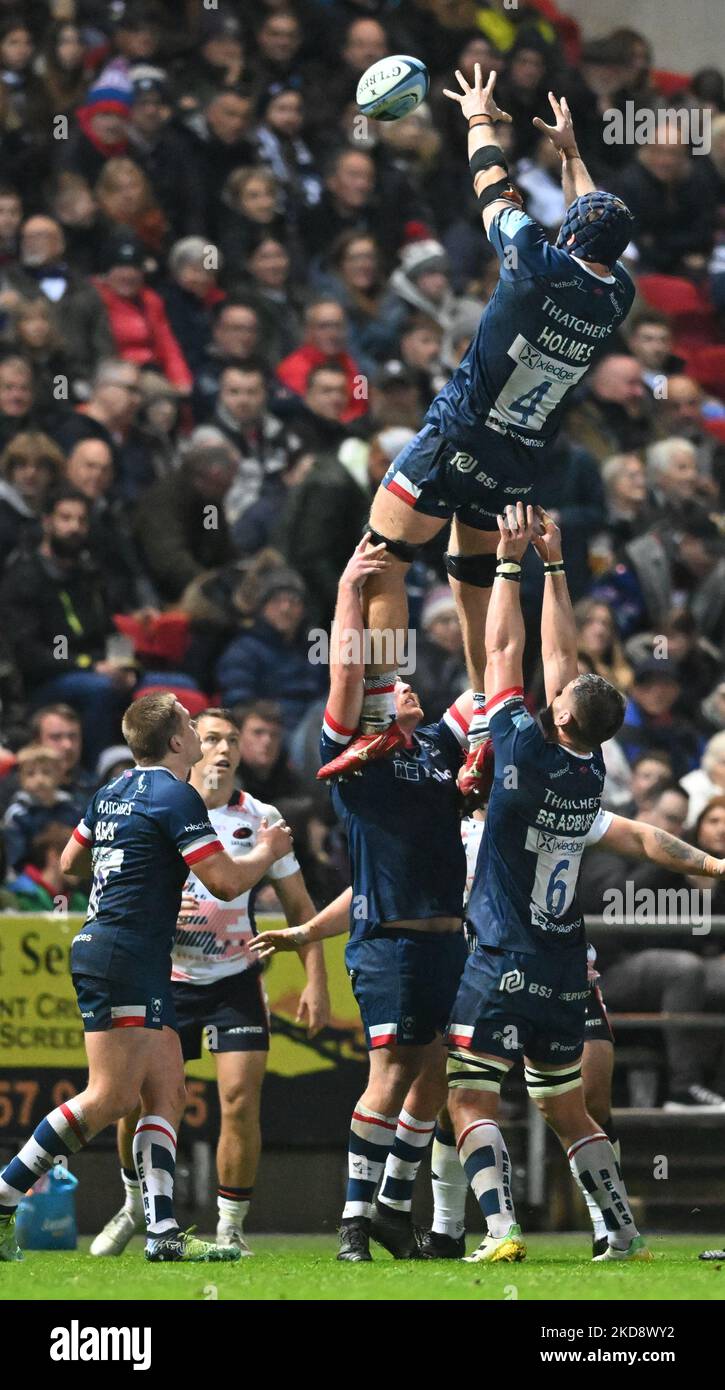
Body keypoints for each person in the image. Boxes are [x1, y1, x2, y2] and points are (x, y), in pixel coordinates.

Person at [321, 70, 635, 796]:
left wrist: (475, 117)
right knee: (474, 584)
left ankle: (384, 711)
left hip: (455, 432)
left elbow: (491, 184)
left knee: (384, 557)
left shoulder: (532, 263)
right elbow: (593, 224)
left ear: (569, 230)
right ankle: (485, 724)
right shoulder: (616, 295)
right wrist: (571, 152)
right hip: (516, 459)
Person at [445, 502, 725, 1262]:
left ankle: (499, 1227)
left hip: (501, 951)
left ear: (561, 718)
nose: (553, 688)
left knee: (469, 1095)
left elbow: (505, 646)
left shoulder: (518, 749)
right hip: (565, 964)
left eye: (559, 695)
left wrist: (510, 562)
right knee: (562, 1104)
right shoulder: (587, 768)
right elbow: (561, 663)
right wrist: (558, 567)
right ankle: (619, 1228)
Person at [0, 691, 294, 1264]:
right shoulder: (175, 794)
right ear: (179, 740)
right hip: (124, 955)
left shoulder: (109, 791)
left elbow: (68, 863)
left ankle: (162, 1235)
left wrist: (131, 862)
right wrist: (266, 849)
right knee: (109, 1097)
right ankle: (5, 1194)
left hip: (126, 952)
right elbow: (229, 883)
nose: (199, 735)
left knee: (167, 1090)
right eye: (191, 725)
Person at [90, 706, 329, 1258]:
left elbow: (300, 907)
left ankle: (230, 1226)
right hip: (164, 977)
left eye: (233, 741)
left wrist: (314, 980)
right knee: (140, 1102)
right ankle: (135, 1207)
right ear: (189, 744)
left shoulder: (261, 817)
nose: (223, 750)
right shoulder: (164, 803)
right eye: (212, 737)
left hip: (234, 980)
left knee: (241, 1101)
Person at [305, 537, 472, 1262]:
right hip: (391, 939)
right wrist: (350, 589)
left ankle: (393, 1211)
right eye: (390, 685)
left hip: (445, 940)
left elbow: (493, 673)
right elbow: (352, 667)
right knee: (392, 1073)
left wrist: (486, 574)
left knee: (433, 1078)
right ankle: (351, 1221)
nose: (401, 684)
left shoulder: (436, 747)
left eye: (405, 681)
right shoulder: (354, 757)